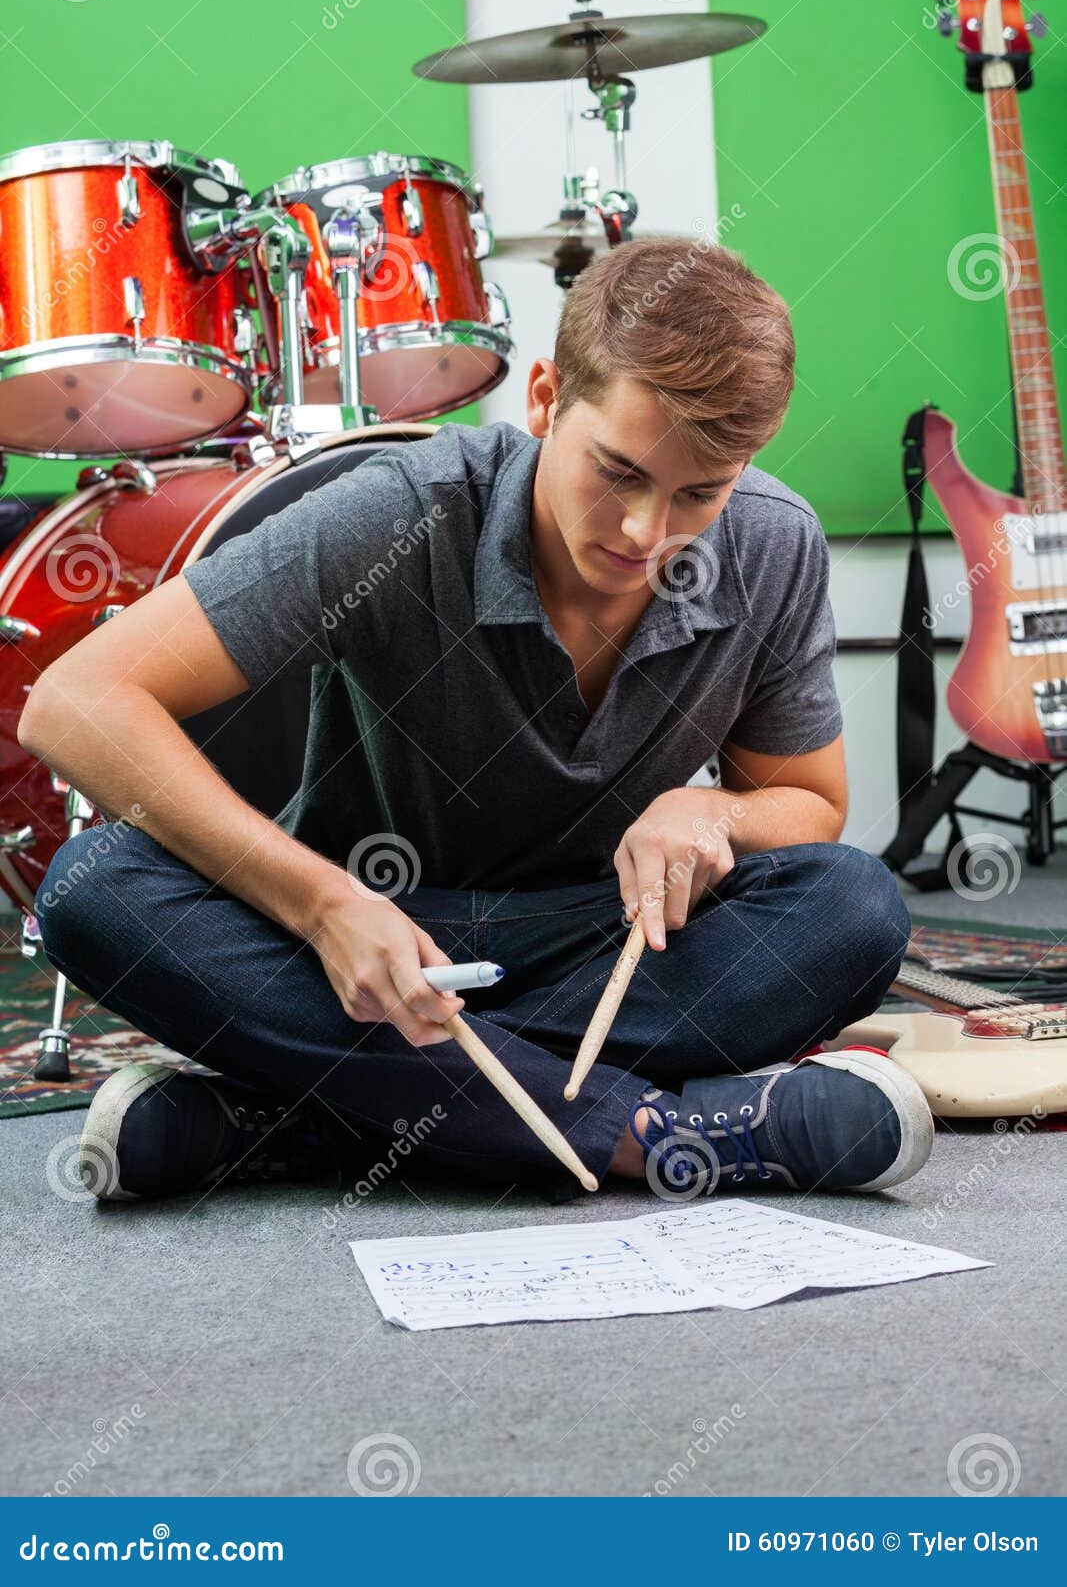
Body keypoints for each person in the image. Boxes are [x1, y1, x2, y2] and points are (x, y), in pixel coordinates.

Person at [21, 236, 931, 1207]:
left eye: (696, 494)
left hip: (605, 940)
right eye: (616, 472)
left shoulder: (772, 540)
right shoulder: (403, 509)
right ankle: (654, 1132)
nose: (644, 534)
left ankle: (320, 1115)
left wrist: (707, 813)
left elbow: (806, 803)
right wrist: (324, 905)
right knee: (91, 885)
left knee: (852, 908)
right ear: (543, 399)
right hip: (367, 936)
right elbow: (74, 704)